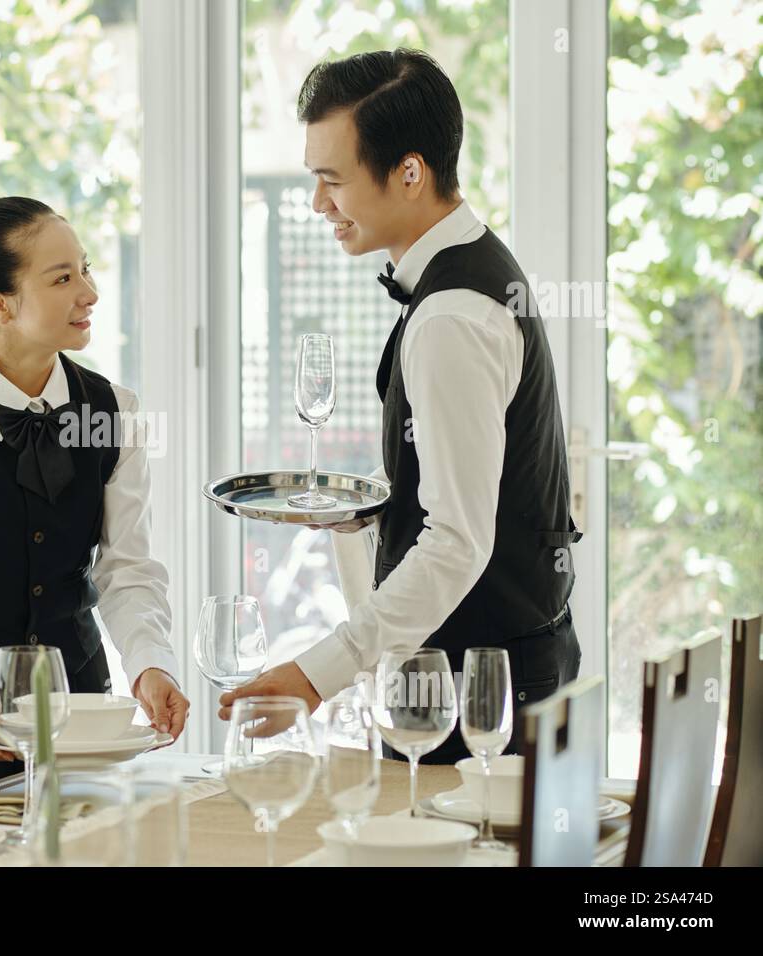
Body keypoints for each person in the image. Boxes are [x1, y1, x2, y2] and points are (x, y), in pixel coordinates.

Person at [220, 49, 582, 765]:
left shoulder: (451, 316)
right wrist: (370, 511)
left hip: (474, 688)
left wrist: (316, 674)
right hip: (505, 668)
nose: (318, 203)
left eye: (333, 180)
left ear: (410, 172)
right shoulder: (471, 272)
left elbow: (457, 542)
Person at [0, 196, 189, 790]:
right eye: (62, 278)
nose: (90, 293)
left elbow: (127, 568)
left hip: (81, 705)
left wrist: (152, 664)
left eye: (85, 269)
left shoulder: (117, 411)